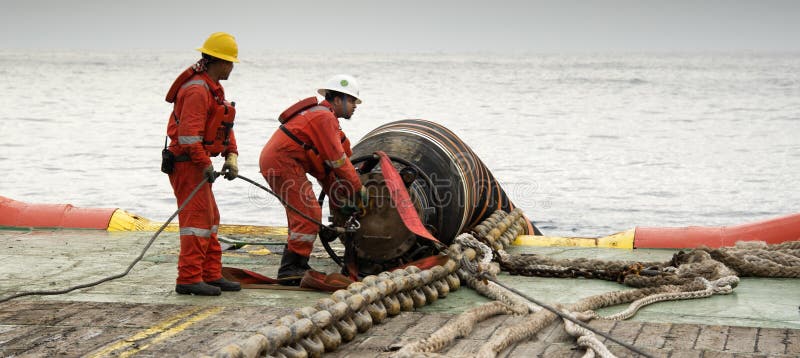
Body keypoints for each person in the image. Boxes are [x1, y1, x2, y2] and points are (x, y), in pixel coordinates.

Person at [259, 74, 368, 285]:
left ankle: (296, 265)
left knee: (303, 212)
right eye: (353, 101)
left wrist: (340, 199)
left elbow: (326, 169)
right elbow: (337, 161)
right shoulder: (324, 118)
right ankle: (291, 269)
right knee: (308, 212)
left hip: (283, 161)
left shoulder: (325, 119)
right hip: (282, 163)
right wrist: (357, 189)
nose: (356, 106)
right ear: (339, 99)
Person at [163, 32, 242, 296]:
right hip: (187, 165)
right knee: (196, 221)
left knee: (210, 219)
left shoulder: (212, 88)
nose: (232, 68)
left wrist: (231, 154)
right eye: (230, 62)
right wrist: (204, 163)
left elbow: (223, 124)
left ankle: (210, 274)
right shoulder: (197, 90)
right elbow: (188, 137)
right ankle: (188, 279)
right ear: (219, 61)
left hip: (197, 163)